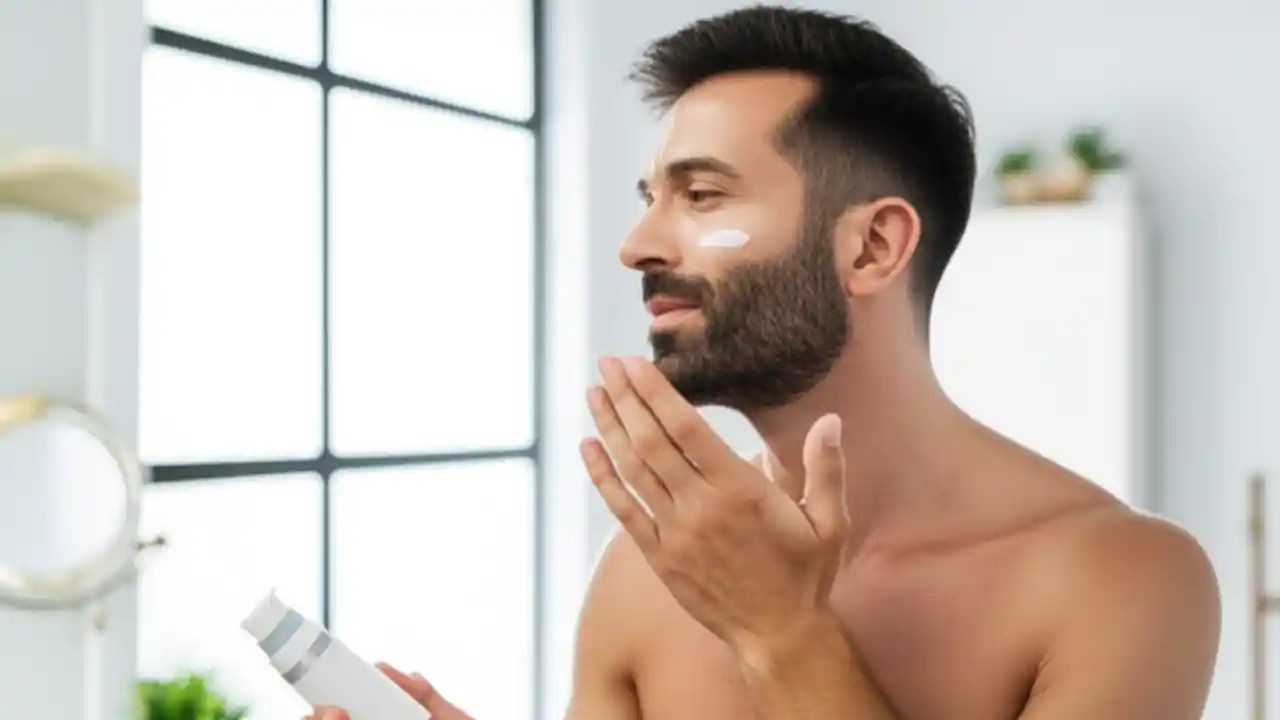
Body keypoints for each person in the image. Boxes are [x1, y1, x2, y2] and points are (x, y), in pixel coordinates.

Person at [311, 6, 1220, 719]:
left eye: (701, 195)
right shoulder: (645, 569)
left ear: (871, 249)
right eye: (649, 199)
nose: (635, 245)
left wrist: (780, 633)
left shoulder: (1122, 582)